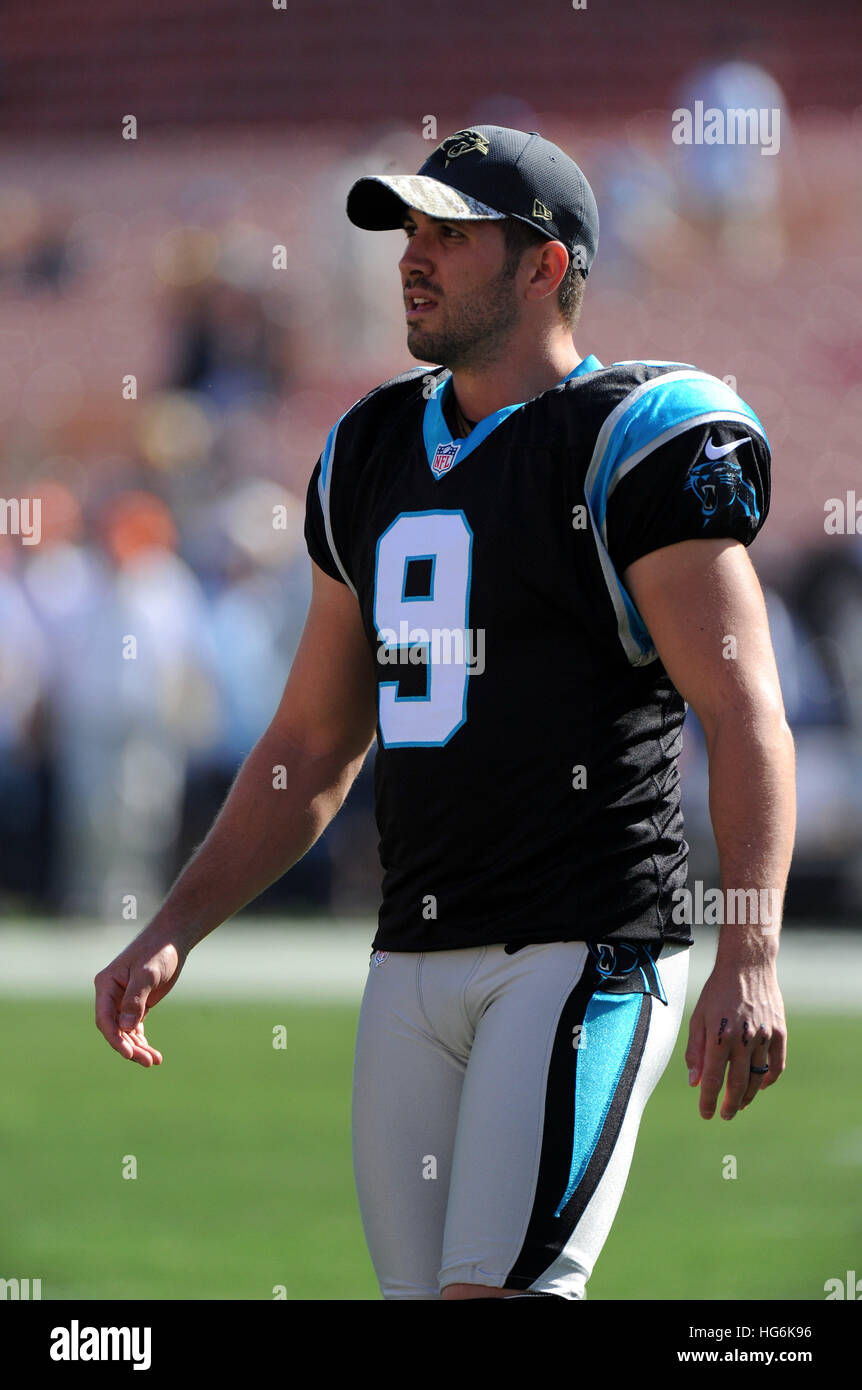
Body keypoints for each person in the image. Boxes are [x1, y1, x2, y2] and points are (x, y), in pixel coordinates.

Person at [95, 126, 796, 1301]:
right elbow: (314, 742)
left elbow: (742, 712)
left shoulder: (637, 437)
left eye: (451, 234)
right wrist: (177, 923)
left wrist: (752, 951)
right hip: (410, 954)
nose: (412, 257)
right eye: (409, 231)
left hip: (582, 943)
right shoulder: (367, 447)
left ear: (544, 266)